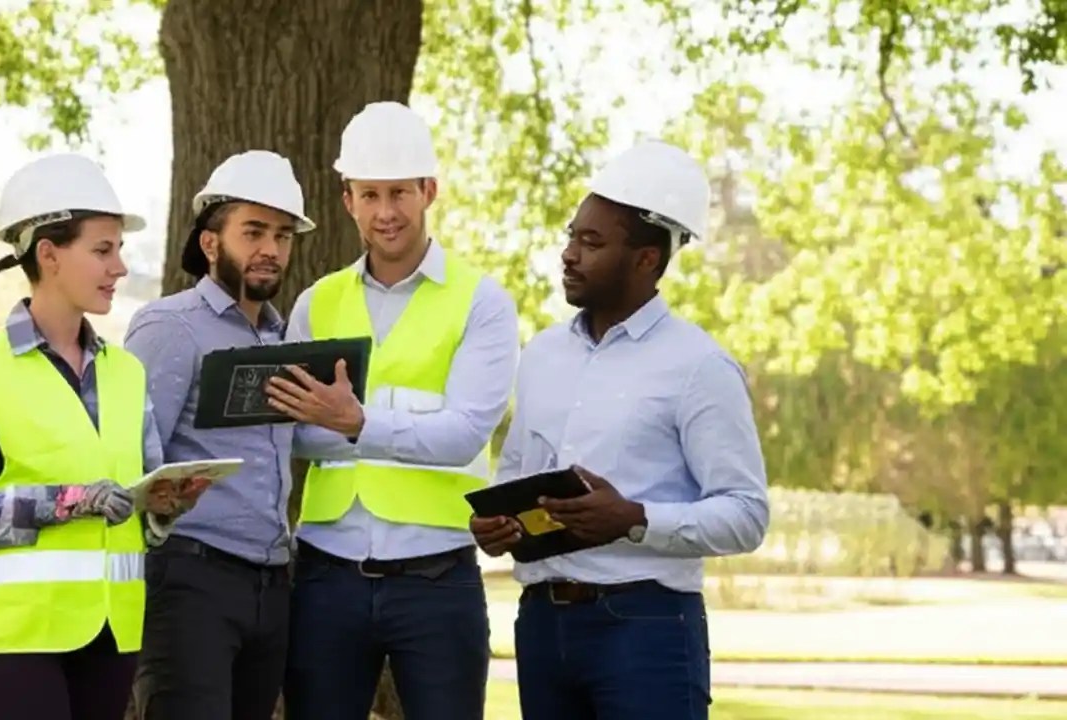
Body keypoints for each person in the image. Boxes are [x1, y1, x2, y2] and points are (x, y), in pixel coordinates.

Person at [469, 140, 771, 720]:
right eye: (571, 236)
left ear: (646, 261)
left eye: (592, 243)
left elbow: (747, 514)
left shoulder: (700, 367)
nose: (568, 254)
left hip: (646, 631)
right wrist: (496, 526)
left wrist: (634, 519)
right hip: (541, 627)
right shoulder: (541, 355)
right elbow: (514, 476)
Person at [264, 101, 521, 720]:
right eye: (370, 194)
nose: (386, 212)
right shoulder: (316, 302)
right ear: (347, 198)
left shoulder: (481, 304)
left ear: (428, 191)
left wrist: (355, 421)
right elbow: (288, 436)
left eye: (400, 193)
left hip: (438, 577)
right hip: (327, 573)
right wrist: (402, 421)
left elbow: (463, 436)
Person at [0, 152, 180, 720]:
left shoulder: (127, 372)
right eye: (103, 249)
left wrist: (159, 506)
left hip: (110, 635)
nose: (119, 267)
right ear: (49, 255)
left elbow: (133, 500)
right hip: (6, 642)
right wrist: (65, 503)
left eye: (119, 250)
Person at [124, 149, 316, 720]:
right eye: (253, 231)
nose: (270, 249)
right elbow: (131, 459)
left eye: (282, 235)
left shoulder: (283, 341)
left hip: (271, 585)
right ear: (211, 243)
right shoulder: (170, 326)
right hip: (190, 582)